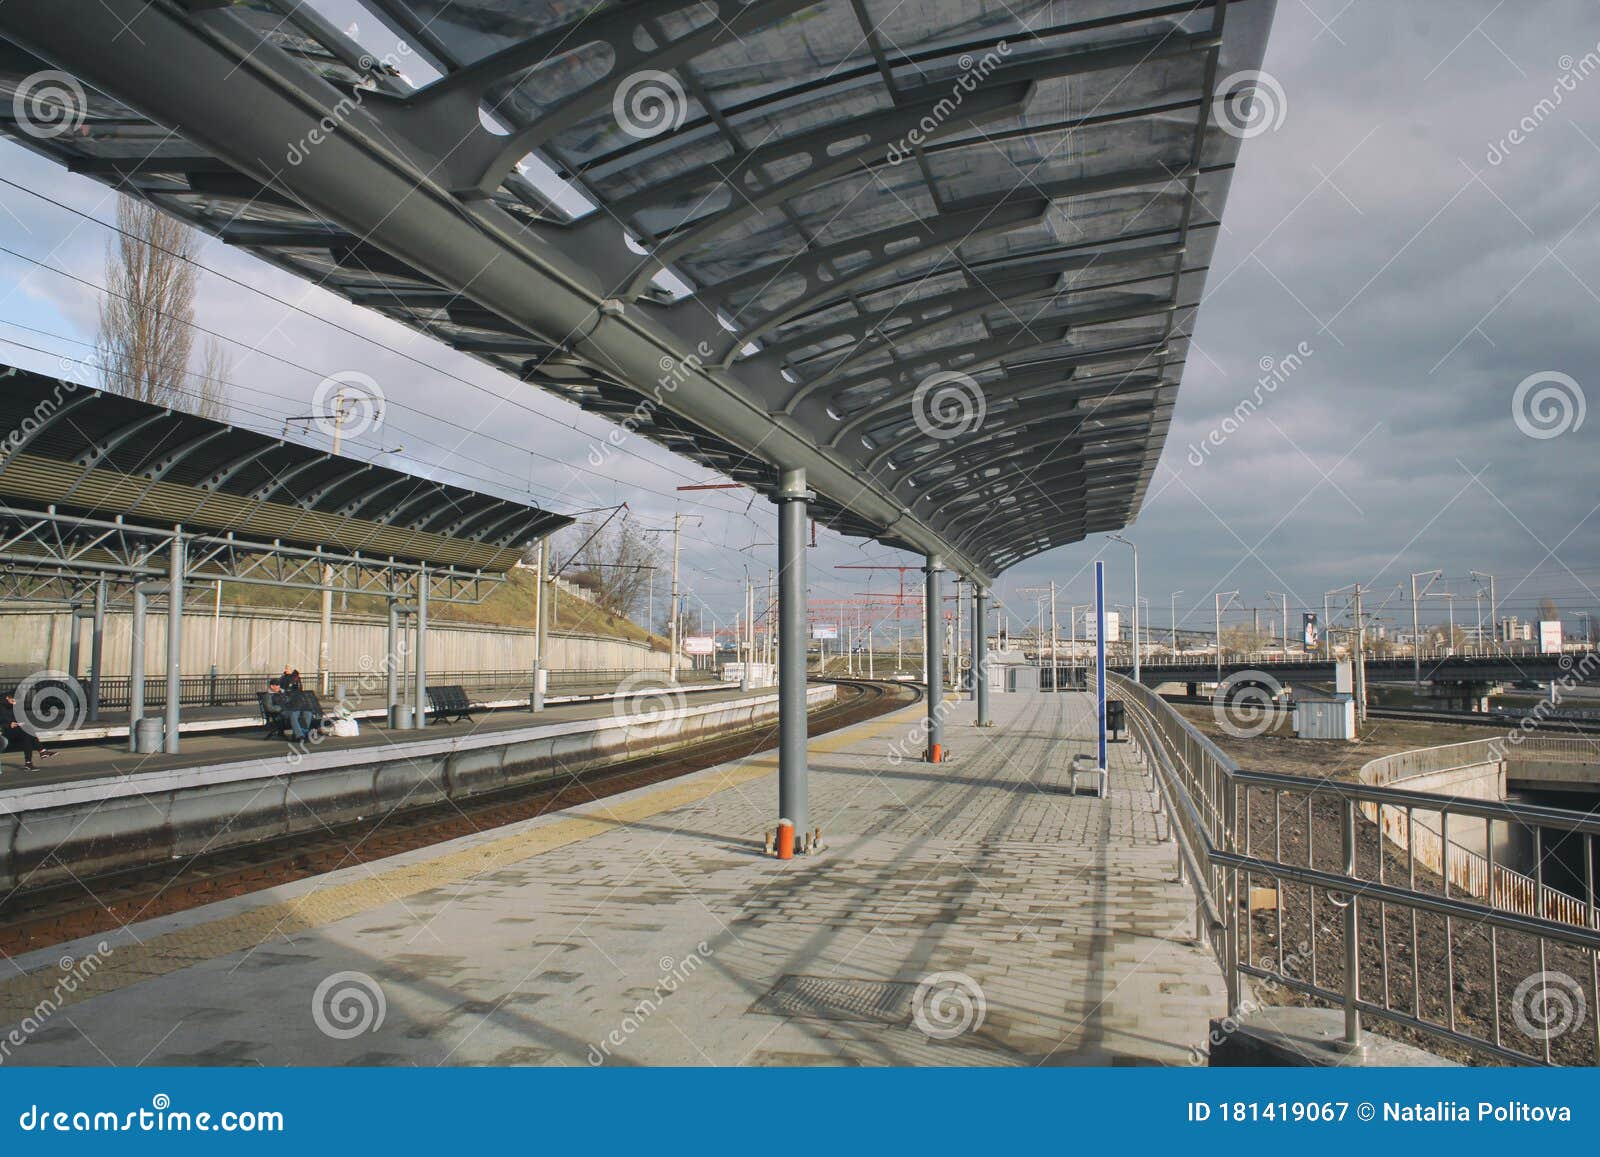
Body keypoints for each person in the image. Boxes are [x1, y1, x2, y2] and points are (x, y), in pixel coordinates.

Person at [0, 691, 55, 772]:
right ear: (7, 698)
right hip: (4, 731)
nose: (15, 702)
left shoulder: (12, 706)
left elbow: (18, 718)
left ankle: (29, 762)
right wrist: (8, 725)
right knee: (26, 730)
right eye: (13, 700)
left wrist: (19, 722)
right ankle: (41, 751)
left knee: (26, 732)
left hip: (13, 729)